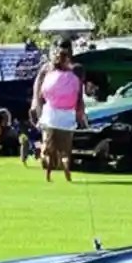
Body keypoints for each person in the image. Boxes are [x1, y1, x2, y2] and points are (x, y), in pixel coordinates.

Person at [38, 48, 85, 182]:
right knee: (65, 148)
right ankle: (65, 163)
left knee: (50, 147)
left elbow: (43, 94)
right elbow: (78, 97)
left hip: (51, 116)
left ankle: (48, 174)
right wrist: (79, 113)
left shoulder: (50, 76)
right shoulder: (74, 78)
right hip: (67, 117)